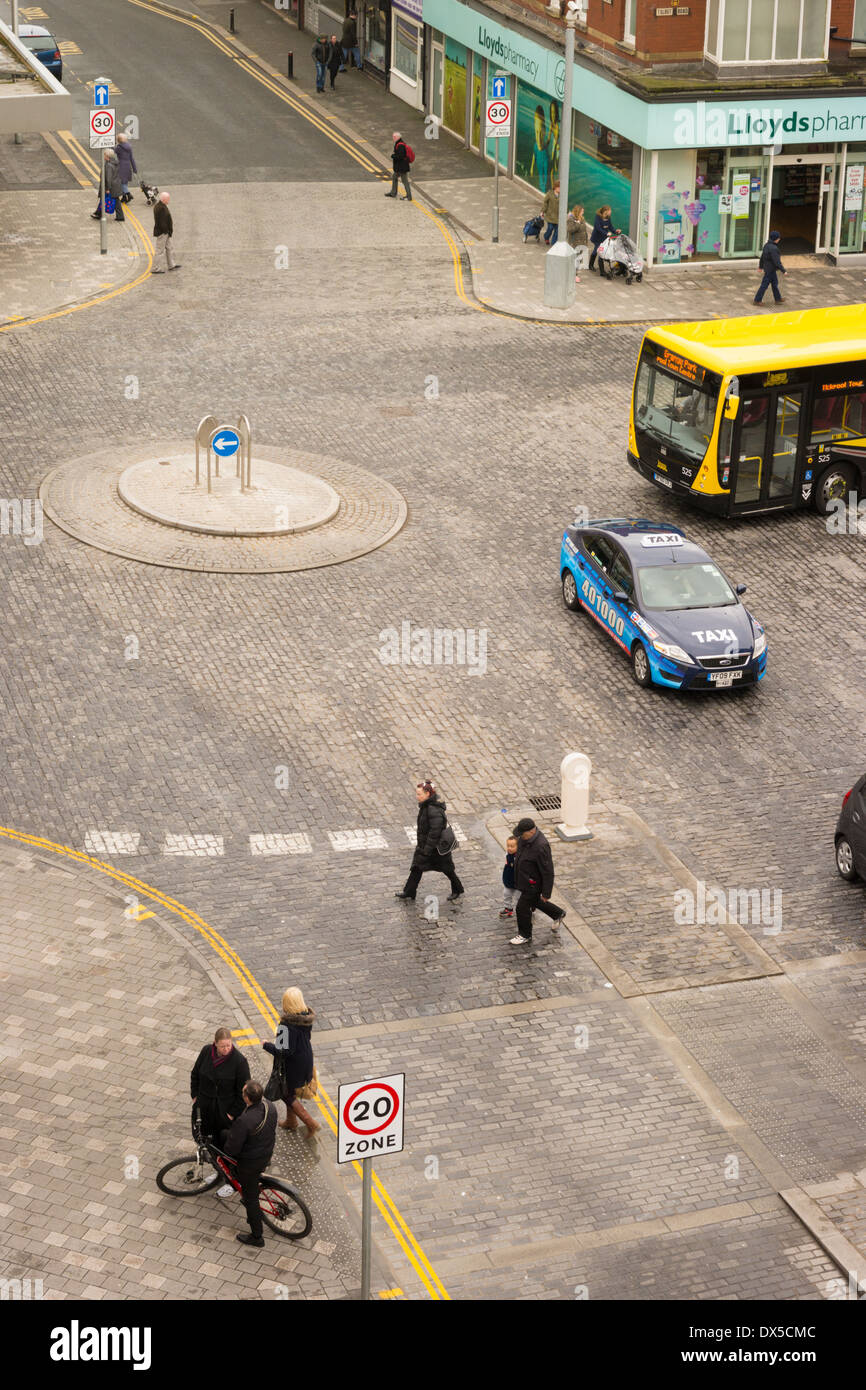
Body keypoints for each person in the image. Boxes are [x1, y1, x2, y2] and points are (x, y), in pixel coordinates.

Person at [222, 1080, 277, 1247]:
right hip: (265, 1151)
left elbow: (232, 1149)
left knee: (251, 1198)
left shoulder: (244, 1121)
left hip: (251, 1162)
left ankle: (256, 1236)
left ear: (247, 1098)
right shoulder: (269, 1106)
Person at [261, 987, 320, 1136]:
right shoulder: (306, 1018)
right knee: (290, 1090)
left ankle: (311, 1123)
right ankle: (291, 1121)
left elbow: (282, 1052)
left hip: (293, 1066)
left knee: (286, 1094)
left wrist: (266, 1045)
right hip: (305, 1058)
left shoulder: (285, 1025)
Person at [395, 779, 464, 902]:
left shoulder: (433, 809)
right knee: (417, 867)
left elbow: (435, 832)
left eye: (419, 794)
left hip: (435, 849)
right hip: (426, 846)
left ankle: (457, 889)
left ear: (427, 794)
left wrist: (426, 849)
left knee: (448, 870)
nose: (417, 797)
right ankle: (409, 891)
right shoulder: (427, 806)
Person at [510, 817, 566, 945]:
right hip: (525, 880)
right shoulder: (524, 839)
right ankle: (558, 913)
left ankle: (525, 934)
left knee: (522, 908)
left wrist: (546, 893)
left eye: (522, 834)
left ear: (531, 832)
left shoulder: (541, 846)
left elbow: (548, 871)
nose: (520, 837)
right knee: (535, 901)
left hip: (533, 884)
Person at [190, 1026, 250, 1140]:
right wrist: (195, 1096)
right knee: (200, 1137)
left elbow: (243, 1092)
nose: (226, 1049)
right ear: (215, 1043)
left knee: (220, 1143)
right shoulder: (206, 1051)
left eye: (228, 1045)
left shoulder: (240, 1062)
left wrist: (231, 1114)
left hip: (224, 1112)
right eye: (222, 1046)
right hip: (203, 1107)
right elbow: (195, 1074)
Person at [91, 149, 126, 222]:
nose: (103, 156)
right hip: (116, 185)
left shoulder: (109, 165)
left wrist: (107, 188)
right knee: (115, 201)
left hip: (111, 186)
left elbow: (108, 178)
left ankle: (99, 214)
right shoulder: (116, 163)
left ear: (107, 156)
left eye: (104, 155)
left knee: (104, 199)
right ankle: (119, 216)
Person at [151, 191, 180, 273]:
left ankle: (171, 265)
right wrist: (166, 231)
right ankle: (155, 268)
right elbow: (161, 222)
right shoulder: (160, 208)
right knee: (159, 250)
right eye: (168, 199)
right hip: (163, 233)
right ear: (164, 199)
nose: (169, 200)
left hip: (165, 232)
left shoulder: (161, 206)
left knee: (169, 248)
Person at [754, 230, 785, 306]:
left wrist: (761, 266)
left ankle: (777, 299)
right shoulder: (774, 248)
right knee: (764, 285)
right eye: (778, 238)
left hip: (769, 269)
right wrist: (783, 271)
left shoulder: (766, 245)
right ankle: (757, 300)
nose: (779, 239)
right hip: (770, 270)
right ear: (775, 239)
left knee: (775, 284)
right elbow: (777, 261)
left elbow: (762, 257)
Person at [589, 204, 617, 275]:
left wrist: (616, 231)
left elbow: (610, 226)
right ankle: (591, 265)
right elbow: (598, 228)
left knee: (601, 252)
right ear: (605, 211)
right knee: (597, 251)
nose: (611, 212)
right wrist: (606, 233)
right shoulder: (598, 217)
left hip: (604, 239)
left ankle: (601, 271)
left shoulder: (608, 217)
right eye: (610, 211)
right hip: (597, 238)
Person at [384, 132, 412, 201]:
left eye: (394, 137)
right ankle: (393, 193)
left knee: (405, 181)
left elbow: (401, 156)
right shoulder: (399, 143)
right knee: (394, 177)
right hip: (400, 167)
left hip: (402, 168)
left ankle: (409, 197)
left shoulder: (400, 145)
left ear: (398, 137)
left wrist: (393, 156)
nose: (393, 138)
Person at [114, 133, 138, 203]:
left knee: (122, 183)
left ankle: (128, 194)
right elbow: (131, 158)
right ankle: (124, 197)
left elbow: (112, 151)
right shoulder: (129, 147)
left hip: (121, 166)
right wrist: (134, 169)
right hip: (128, 166)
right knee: (125, 182)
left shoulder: (119, 148)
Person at [499, 835, 518, 920]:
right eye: (508, 846)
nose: (509, 848)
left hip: (518, 882)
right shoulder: (507, 854)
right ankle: (508, 908)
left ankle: (524, 910)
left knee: (519, 898)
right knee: (506, 894)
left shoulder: (519, 857)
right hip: (509, 880)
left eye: (512, 846)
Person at [541, 181, 560, 246]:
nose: (560, 189)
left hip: (558, 217)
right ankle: (546, 236)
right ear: (555, 187)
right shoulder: (550, 193)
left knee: (557, 231)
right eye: (559, 187)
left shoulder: (562, 195)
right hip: (550, 216)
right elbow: (545, 203)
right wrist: (542, 211)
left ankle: (553, 243)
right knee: (550, 228)